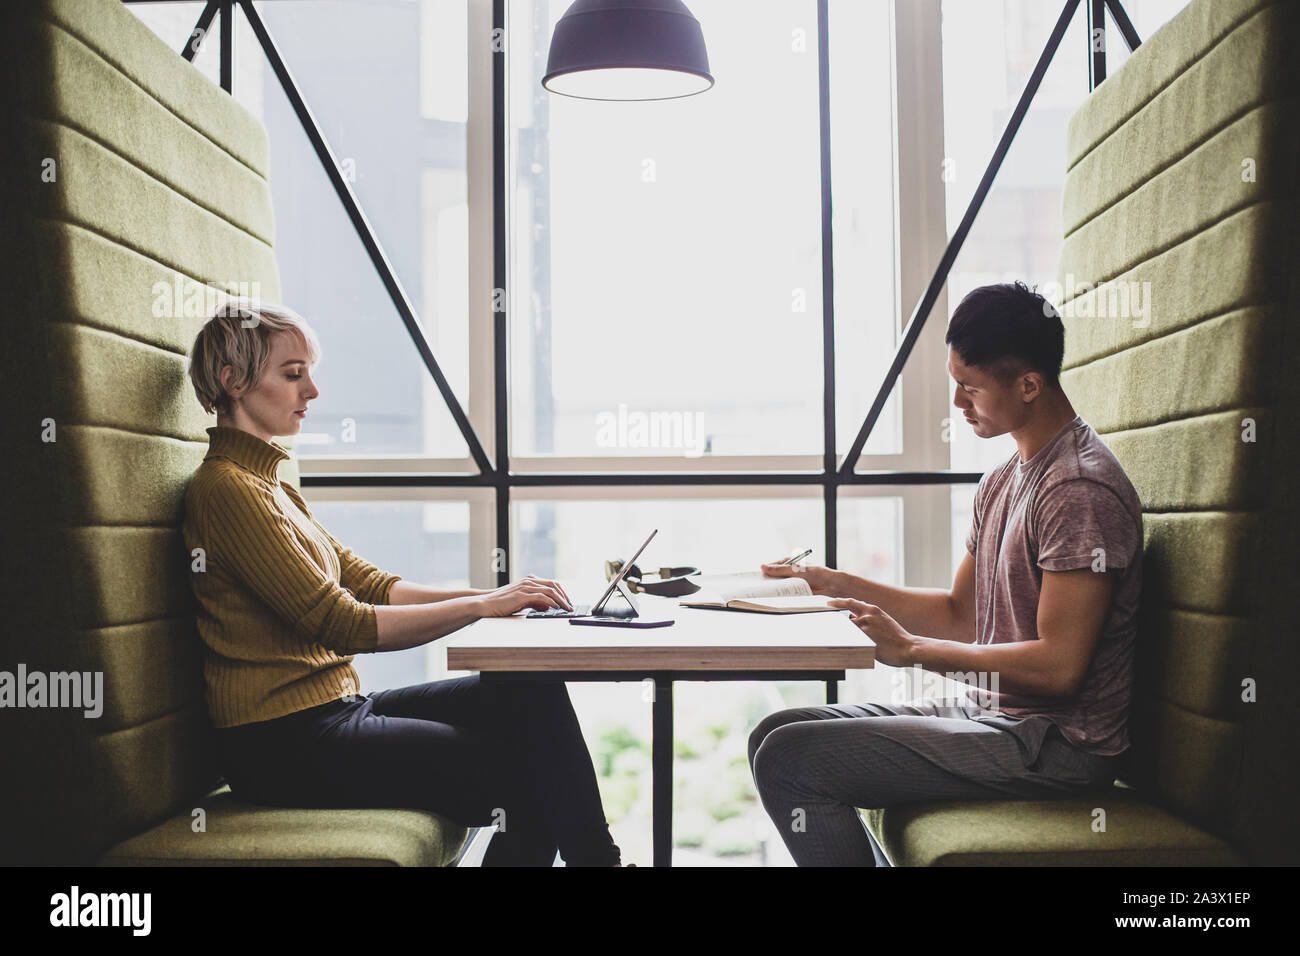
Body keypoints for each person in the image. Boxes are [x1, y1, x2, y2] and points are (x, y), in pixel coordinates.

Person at [182, 298, 622, 866]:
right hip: (281, 743)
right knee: (523, 775)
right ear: (232, 381)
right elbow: (340, 622)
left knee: (528, 686)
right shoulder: (229, 491)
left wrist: (502, 596)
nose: (311, 392)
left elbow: (369, 583)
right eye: (293, 376)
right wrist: (485, 606)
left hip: (334, 711)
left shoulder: (268, 483)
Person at [749, 281, 1143, 866]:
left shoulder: (1077, 488)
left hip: (1059, 746)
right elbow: (962, 615)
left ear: (1029, 385)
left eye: (969, 388)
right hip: (998, 716)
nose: (957, 403)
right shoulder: (1004, 479)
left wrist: (911, 652)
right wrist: (833, 583)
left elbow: (1060, 670)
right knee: (774, 734)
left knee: (792, 759)